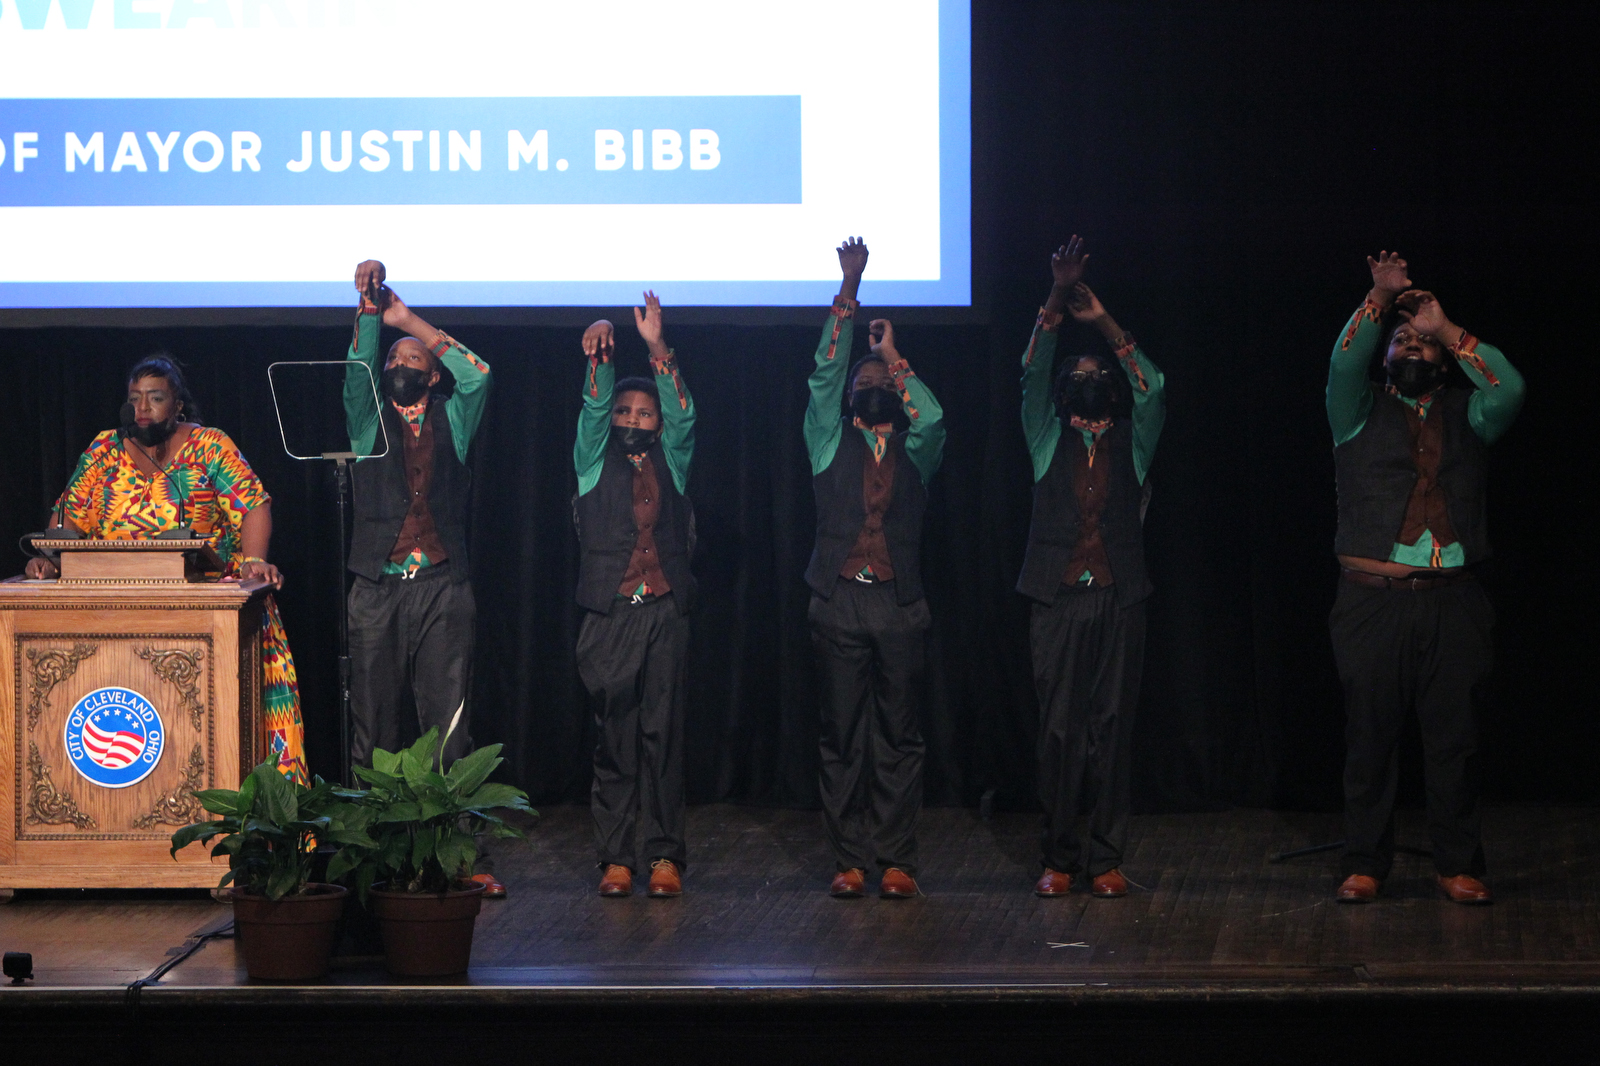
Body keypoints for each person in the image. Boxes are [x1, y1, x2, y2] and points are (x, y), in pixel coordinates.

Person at [1326, 250, 1525, 905]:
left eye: (1423, 344)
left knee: (1454, 741)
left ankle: (1457, 863)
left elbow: (1510, 388)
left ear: (1441, 362)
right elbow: (1344, 362)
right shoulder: (1355, 409)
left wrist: (1446, 328)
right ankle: (1364, 862)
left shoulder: (1470, 413)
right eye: (1401, 342)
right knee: (1369, 739)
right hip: (1372, 603)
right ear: (1386, 359)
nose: (1412, 348)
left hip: (1453, 601)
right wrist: (1380, 301)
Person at [25, 355, 308, 783]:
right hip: (115, 609)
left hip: (210, 604)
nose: (142, 408)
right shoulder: (104, 449)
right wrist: (49, 559)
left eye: (155, 398)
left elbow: (253, 504)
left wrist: (254, 561)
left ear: (177, 405)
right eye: (135, 398)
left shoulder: (209, 445)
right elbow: (68, 518)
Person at [344, 259, 502, 896]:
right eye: (393, 359)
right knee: (374, 726)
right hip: (376, 585)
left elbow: (478, 373)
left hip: (442, 584)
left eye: (412, 360)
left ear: (433, 376)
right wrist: (369, 315)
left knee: (449, 727)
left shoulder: (453, 419)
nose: (398, 365)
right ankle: (373, 857)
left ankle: (458, 857)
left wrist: (408, 320)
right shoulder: (367, 420)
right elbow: (358, 370)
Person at [1018, 237, 1165, 900]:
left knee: (1111, 729)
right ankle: (1059, 856)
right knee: (1059, 732)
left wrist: (1104, 323)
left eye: (1098, 373)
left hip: (1119, 595)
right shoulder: (1046, 436)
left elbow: (1153, 388)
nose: (1089, 378)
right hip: (1056, 597)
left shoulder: (1133, 441)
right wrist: (1056, 295)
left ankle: (1105, 857)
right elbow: (1031, 372)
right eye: (1078, 374)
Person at [806, 237, 946, 900]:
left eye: (882, 383)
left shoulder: (918, 448)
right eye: (863, 383)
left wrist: (893, 357)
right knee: (841, 735)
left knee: (898, 734)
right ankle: (849, 860)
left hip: (898, 603)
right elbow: (824, 374)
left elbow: (934, 415)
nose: (872, 387)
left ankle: (895, 859)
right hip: (838, 599)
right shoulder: (828, 437)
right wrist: (849, 290)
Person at [575, 293, 697, 900]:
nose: (633, 418)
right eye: (624, 410)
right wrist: (600, 354)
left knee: (663, 738)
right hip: (610, 615)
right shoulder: (592, 461)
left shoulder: (673, 456)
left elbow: (684, 415)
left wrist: (655, 347)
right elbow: (593, 410)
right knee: (615, 739)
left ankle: (665, 855)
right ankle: (617, 858)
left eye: (645, 412)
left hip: (665, 611)